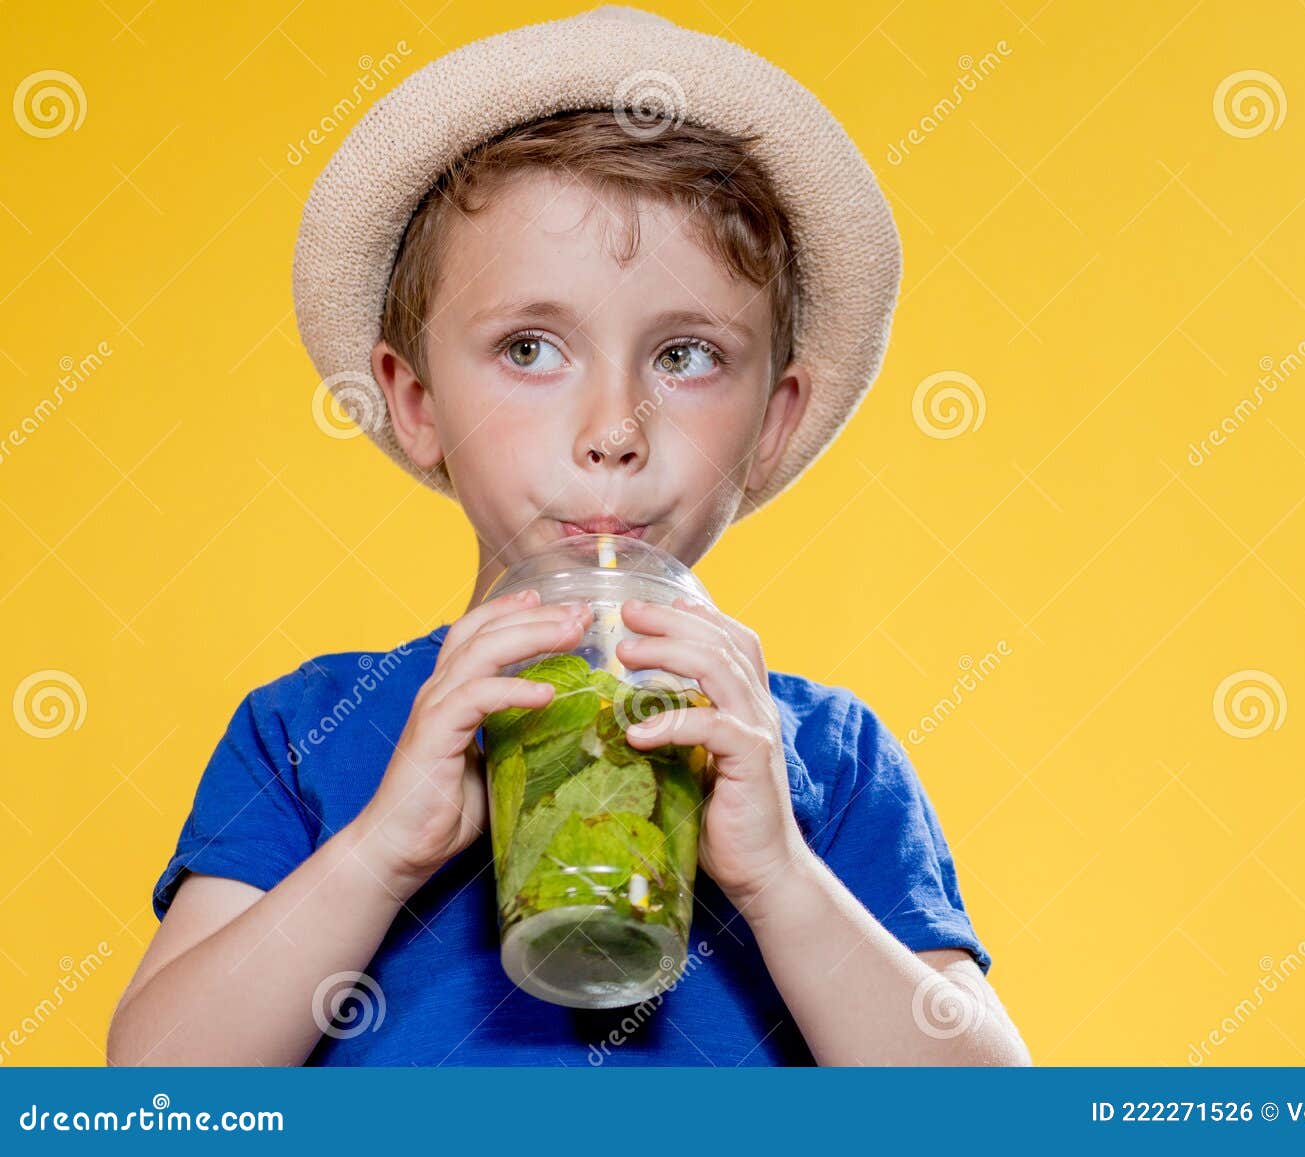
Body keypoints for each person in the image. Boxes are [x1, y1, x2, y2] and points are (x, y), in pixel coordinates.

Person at [107, 4, 1029, 1067]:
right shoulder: (312, 732)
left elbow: (990, 1113)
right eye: (530, 347)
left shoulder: (817, 758)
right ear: (413, 399)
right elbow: (155, 1091)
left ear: (772, 423)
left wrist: (781, 879)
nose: (611, 432)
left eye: (684, 356)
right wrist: (379, 852)